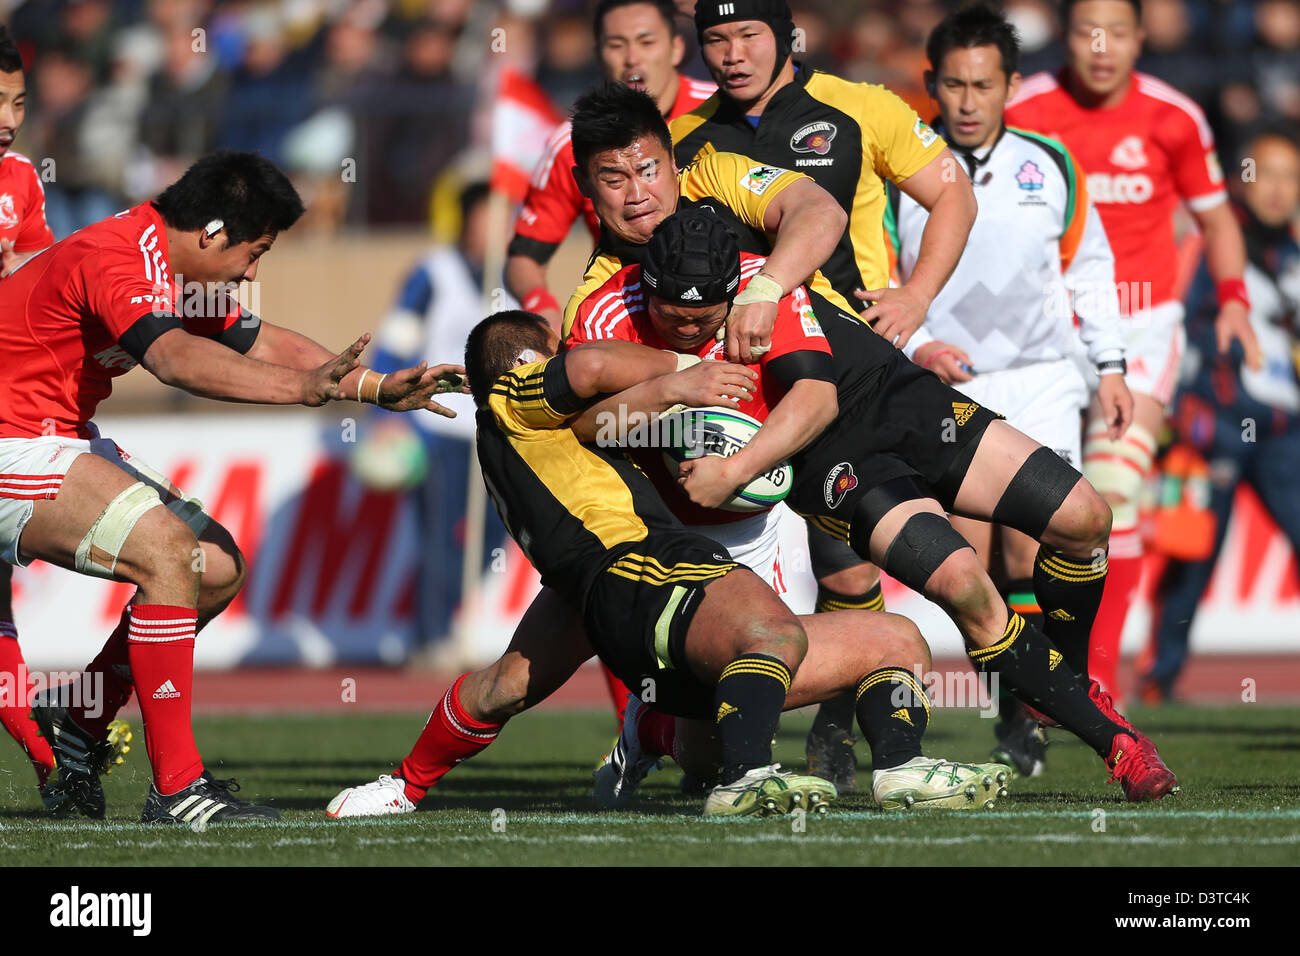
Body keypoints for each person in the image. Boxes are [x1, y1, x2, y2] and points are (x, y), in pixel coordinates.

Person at [566, 87, 1178, 801]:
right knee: (965, 589)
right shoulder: (602, 302)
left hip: (890, 388)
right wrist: (676, 404)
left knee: (1086, 519)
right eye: (614, 179)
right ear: (588, 187)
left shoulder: (722, 188)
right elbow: (590, 417)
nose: (638, 194)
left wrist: (764, 287)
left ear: (674, 164)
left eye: (648, 171)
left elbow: (816, 212)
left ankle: (1063, 683)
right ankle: (1121, 746)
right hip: (823, 456)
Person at [331, 308, 1010, 819]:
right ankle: (748, 778)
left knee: (897, 640)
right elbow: (591, 368)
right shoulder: (519, 396)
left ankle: (402, 787)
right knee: (771, 633)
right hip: (643, 569)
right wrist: (681, 373)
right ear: (527, 367)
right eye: (552, 354)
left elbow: (506, 686)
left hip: (607, 597)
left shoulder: (525, 450)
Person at [0, 150, 464, 824]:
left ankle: (80, 714)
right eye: (256, 252)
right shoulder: (118, 257)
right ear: (213, 231)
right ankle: (180, 792)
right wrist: (303, 391)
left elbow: (259, 342)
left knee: (212, 566)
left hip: (54, 434)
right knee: (165, 551)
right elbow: (176, 360)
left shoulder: (167, 266)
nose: (251, 272)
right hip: (9, 438)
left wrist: (374, 388)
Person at [667, 0, 980, 788]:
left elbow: (954, 194)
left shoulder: (863, 106)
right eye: (716, 38)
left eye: (749, 35)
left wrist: (913, 298)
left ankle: (844, 740)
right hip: (736, 390)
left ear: (787, 37)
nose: (732, 53)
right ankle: (673, 734)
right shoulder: (685, 143)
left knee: (849, 572)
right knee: (719, 591)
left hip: (843, 379)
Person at [889, 4, 1131, 776]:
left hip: (1041, 379)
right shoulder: (899, 170)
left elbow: (1088, 268)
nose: (966, 100)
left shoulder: (1050, 164)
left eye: (982, 85)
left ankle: (1048, 704)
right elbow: (878, 278)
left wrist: (1113, 364)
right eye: (953, 84)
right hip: (949, 392)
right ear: (931, 83)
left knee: (1041, 546)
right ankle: (1016, 706)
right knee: (981, 569)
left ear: (1011, 86)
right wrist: (919, 343)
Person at [1006, 0, 1259, 702]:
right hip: (1044, 332)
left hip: (1143, 326)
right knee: (1032, 516)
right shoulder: (1024, 107)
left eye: (1118, 30)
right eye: (1088, 30)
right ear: (1065, 35)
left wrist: (1234, 300)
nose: (1102, 46)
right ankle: (1027, 690)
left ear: (1141, 38)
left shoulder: (1173, 115)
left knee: (1115, 491)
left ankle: (1097, 682)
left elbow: (1216, 218)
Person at [0, 23, 136, 812]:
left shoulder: (20, 179)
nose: (11, 118)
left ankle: (50, 750)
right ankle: (50, 748)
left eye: (19, 100)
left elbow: (39, 284)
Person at [1145, 128, 1300, 701]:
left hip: (1285, 429)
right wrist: (1181, 412)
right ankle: (1161, 677)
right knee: (1195, 554)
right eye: (1268, 173)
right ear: (1241, 178)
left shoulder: (1293, 251)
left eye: (1292, 176)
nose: (1279, 189)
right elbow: (1177, 320)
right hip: (1221, 427)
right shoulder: (1211, 241)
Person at [358, 180, 509, 650]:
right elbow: (396, 342)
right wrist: (388, 410)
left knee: (499, 534)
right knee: (439, 536)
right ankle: (431, 637)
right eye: (486, 218)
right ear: (466, 221)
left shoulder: (514, 278)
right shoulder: (434, 273)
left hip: (497, 432)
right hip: (437, 425)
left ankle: (450, 617)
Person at [505, 0, 715, 329]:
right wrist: (542, 309)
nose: (632, 58)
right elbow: (525, 258)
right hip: (629, 330)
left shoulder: (726, 115)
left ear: (676, 47)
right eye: (617, 45)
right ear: (598, 53)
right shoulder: (572, 144)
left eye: (646, 42)